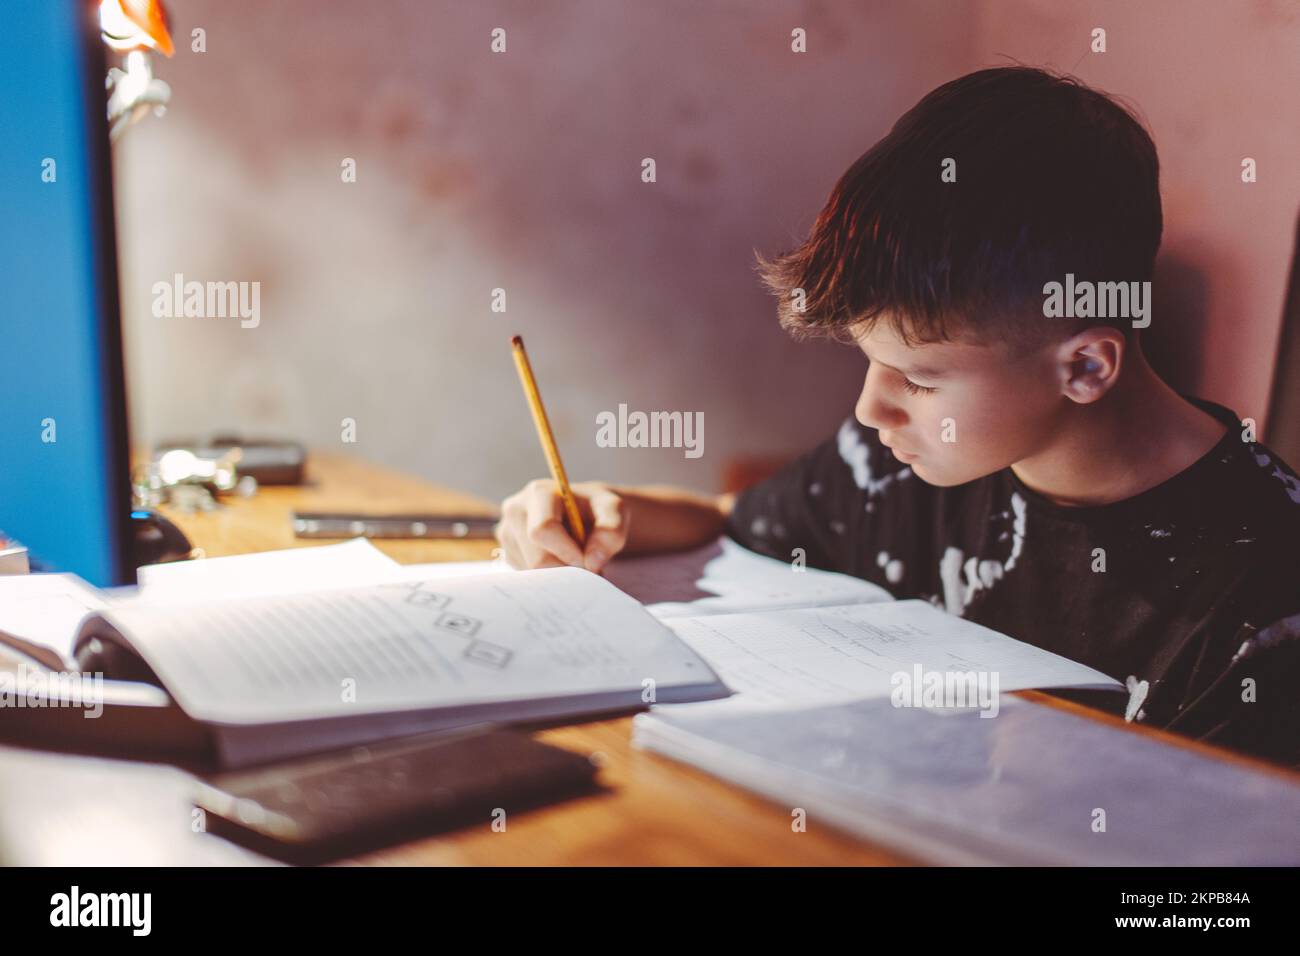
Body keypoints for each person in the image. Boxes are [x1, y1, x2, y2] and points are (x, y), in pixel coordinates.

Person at [494, 67, 1300, 767]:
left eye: (917, 378)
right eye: (867, 359)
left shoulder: (1262, 609)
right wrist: (608, 514)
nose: (869, 408)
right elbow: (731, 522)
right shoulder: (895, 461)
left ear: (1085, 366)